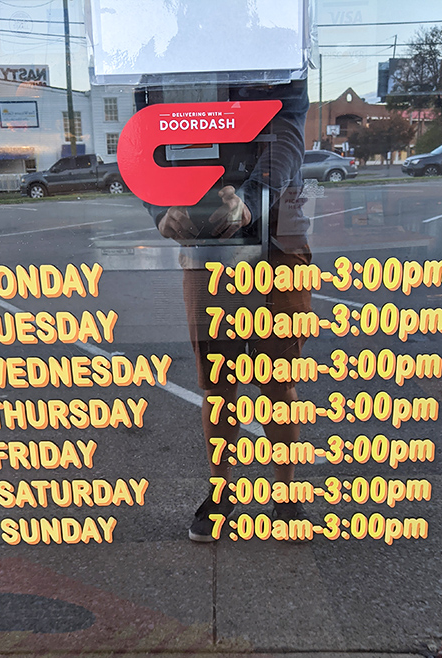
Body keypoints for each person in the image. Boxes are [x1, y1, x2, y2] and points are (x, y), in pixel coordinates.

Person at [137, 78, 313, 541]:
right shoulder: (167, 57)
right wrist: (159, 205)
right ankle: (221, 492)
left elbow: (289, 134)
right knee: (217, 380)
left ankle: (286, 494)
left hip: (275, 238)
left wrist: (251, 203)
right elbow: (144, 141)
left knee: (277, 380)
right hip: (204, 241)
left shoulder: (275, 44)